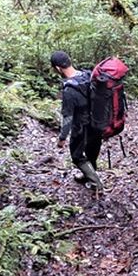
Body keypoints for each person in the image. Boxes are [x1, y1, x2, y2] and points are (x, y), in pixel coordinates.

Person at [50, 51, 103, 189]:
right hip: (97, 122)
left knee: (77, 155)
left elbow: (68, 117)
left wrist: (62, 138)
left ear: (57, 68)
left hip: (81, 126)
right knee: (92, 150)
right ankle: (88, 175)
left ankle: (96, 183)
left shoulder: (69, 90)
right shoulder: (88, 75)